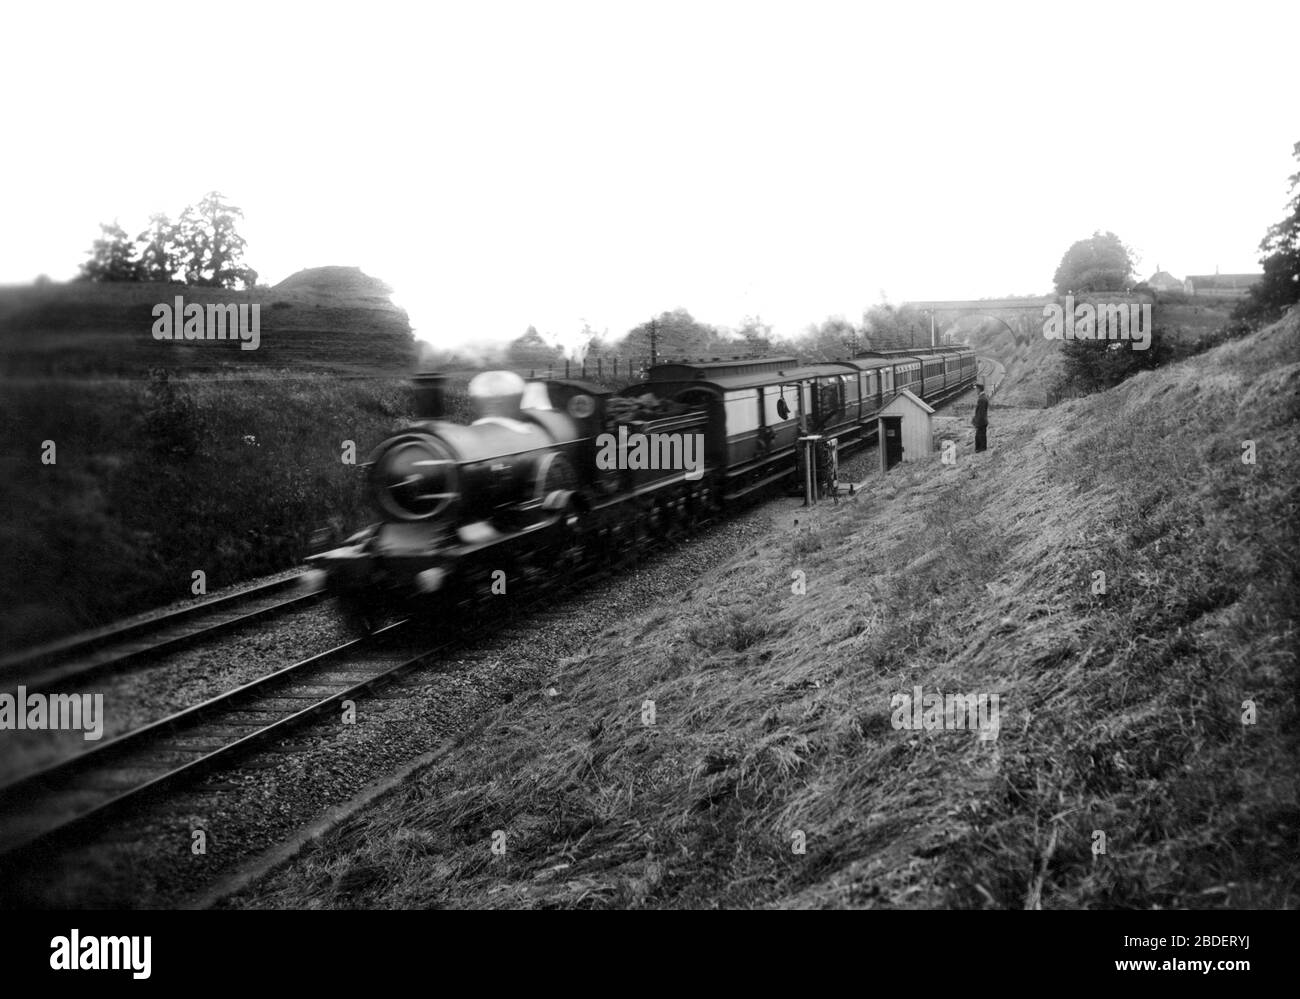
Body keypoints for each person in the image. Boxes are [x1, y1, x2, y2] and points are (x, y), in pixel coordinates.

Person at [972, 383, 989, 452]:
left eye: (976, 389)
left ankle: (981, 448)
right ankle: (981, 448)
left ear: (979, 389)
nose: (976, 390)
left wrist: (977, 423)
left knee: (980, 435)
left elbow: (980, 413)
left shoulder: (981, 399)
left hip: (981, 421)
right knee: (981, 435)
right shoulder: (983, 397)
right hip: (983, 421)